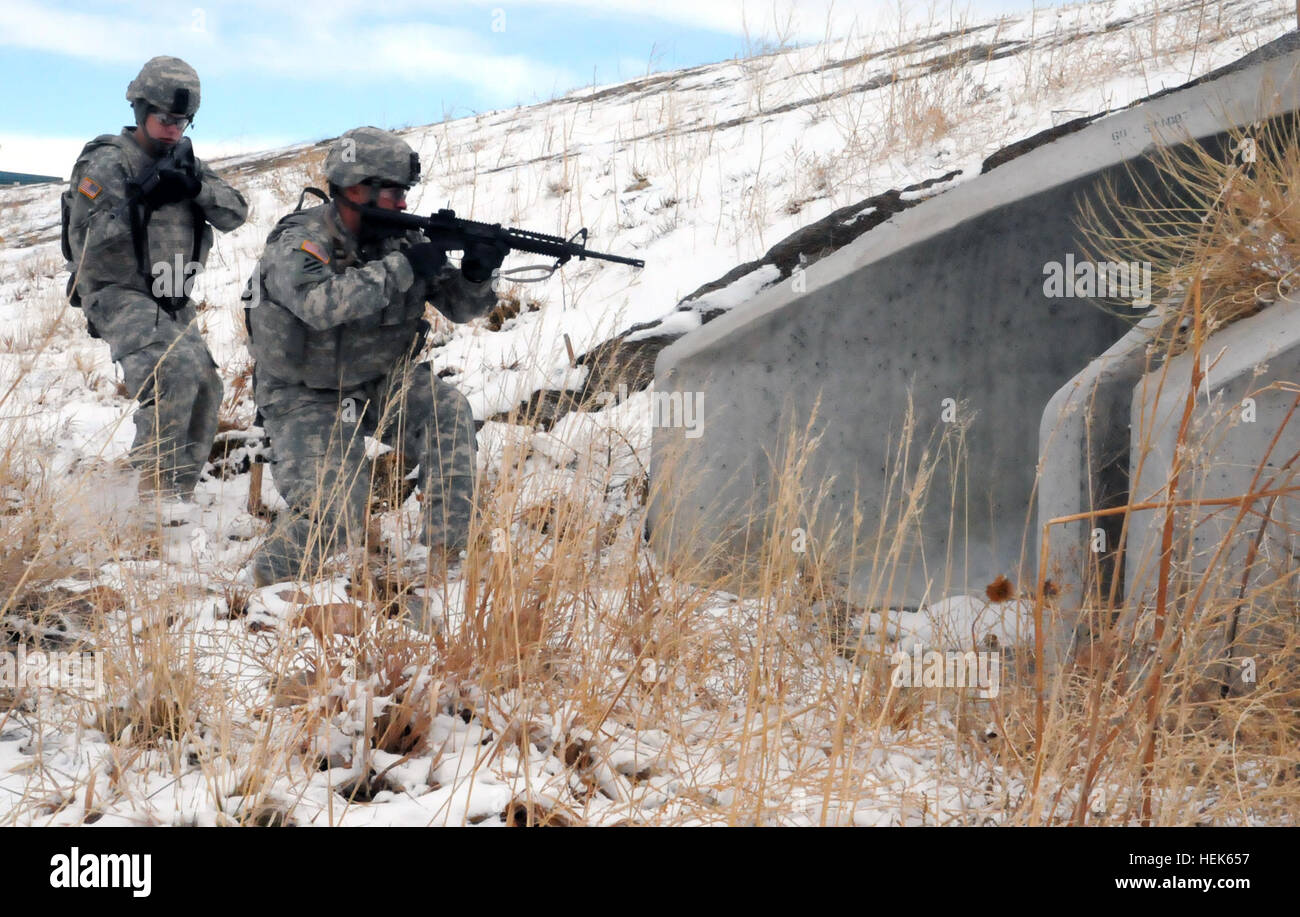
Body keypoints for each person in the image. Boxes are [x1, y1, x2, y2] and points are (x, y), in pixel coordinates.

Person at [244, 126, 504, 587]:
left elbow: (463, 308)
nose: (403, 204)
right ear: (356, 188)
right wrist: (406, 267)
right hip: (305, 394)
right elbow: (320, 305)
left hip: (378, 382)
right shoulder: (300, 240)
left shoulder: (402, 242)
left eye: (405, 192)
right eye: (394, 192)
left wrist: (478, 272)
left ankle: (449, 561)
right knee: (339, 515)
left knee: (448, 410)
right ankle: (266, 582)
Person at [63, 56, 248, 511]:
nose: (172, 130)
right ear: (140, 110)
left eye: (182, 121)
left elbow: (236, 212)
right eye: (164, 119)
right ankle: (151, 502)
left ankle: (174, 498)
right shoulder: (107, 163)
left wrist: (192, 188)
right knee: (175, 372)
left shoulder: (187, 163)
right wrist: (140, 199)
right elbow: (86, 246)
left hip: (172, 297)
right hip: (117, 293)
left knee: (207, 387)